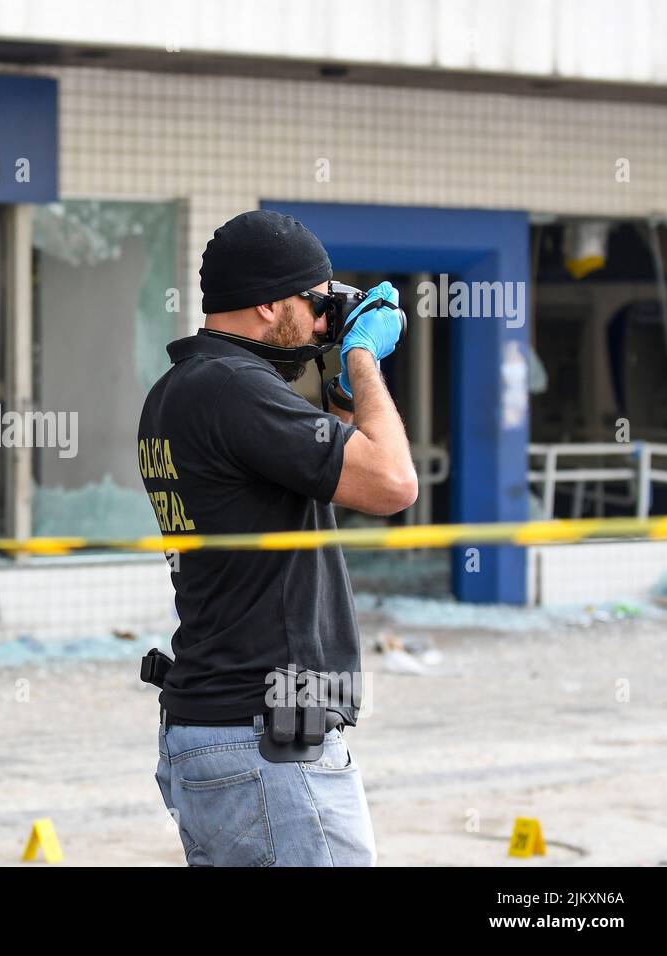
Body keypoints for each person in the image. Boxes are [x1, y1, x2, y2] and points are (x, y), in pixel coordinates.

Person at [138, 209, 417, 866]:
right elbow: (394, 484)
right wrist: (361, 356)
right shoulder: (235, 391)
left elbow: (334, 481)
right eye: (316, 303)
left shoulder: (183, 389)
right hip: (267, 742)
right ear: (268, 304)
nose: (323, 320)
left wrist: (345, 392)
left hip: (222, 730)